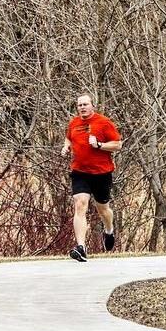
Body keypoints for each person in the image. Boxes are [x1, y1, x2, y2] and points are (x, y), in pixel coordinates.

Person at [60, 92, 122, 262]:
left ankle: (109, 230)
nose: (82, 108)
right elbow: (68, 138)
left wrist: (100, 145)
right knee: (80, 205)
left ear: (92, 106)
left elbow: (117, 144)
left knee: (103, 209)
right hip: (80, 172)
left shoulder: (104, 123)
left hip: (101, 173)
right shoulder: (74, 123)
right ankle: (81, 247)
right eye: (79, 105)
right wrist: (66, 147)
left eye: (85, 104)